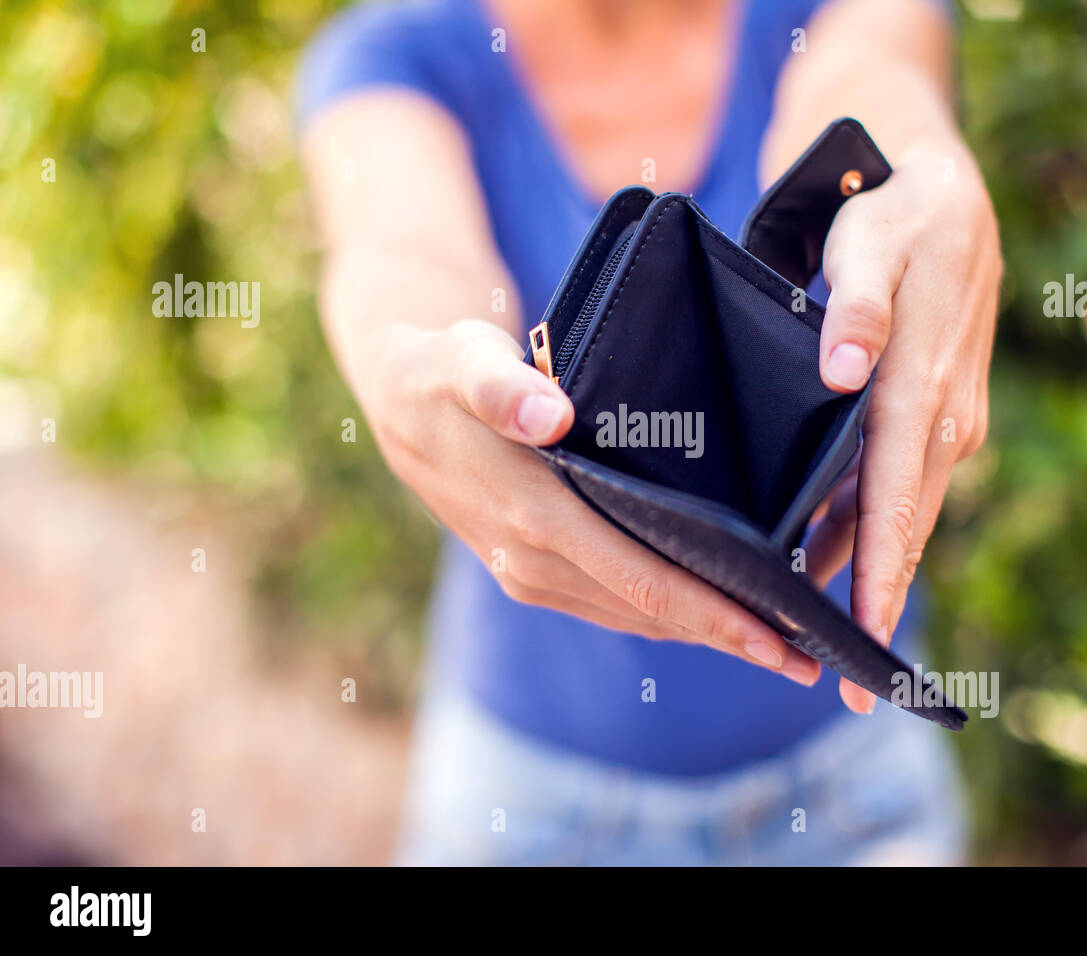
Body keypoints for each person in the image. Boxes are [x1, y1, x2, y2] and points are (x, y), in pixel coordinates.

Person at [296, 0, 1000, 865]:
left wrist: (929, 175)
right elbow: (401, 253)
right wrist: (406, 363)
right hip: (529, 806)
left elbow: (872, 91)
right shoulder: (398, 54)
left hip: (851, 791)